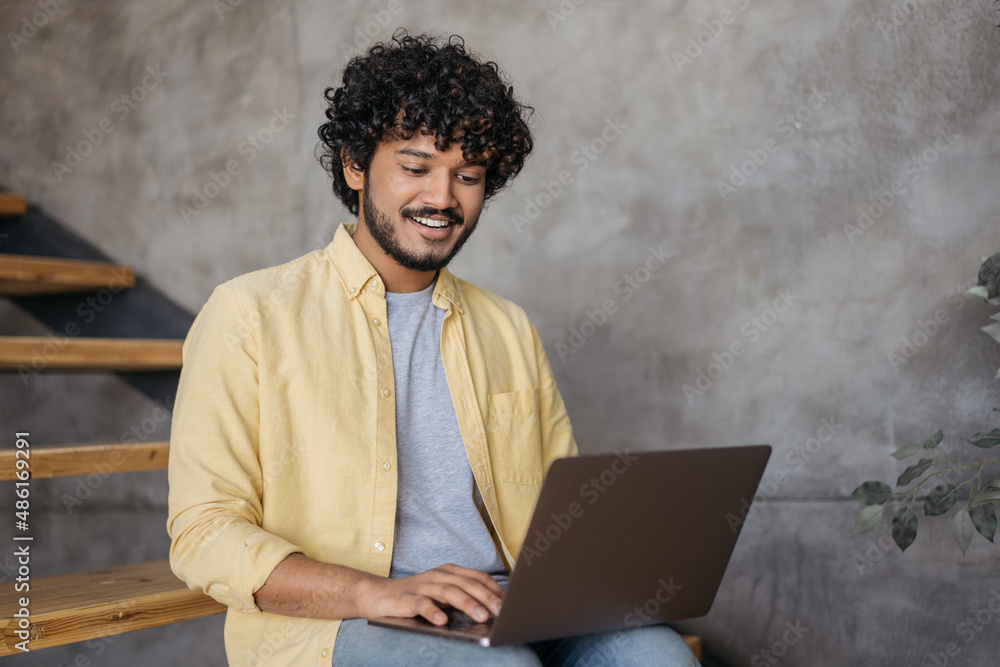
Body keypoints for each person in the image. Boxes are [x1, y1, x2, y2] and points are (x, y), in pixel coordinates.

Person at [166, 28, 698, 666]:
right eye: (415, 168)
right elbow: (203, 532)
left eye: (467, 176)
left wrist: (615, 569)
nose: (442, 198)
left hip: (509, 603)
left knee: (657, 655)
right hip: (343, 618)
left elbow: (564, 515)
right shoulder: (248, 315)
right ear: (355, 165)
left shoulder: (508, 327)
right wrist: (376, 592)